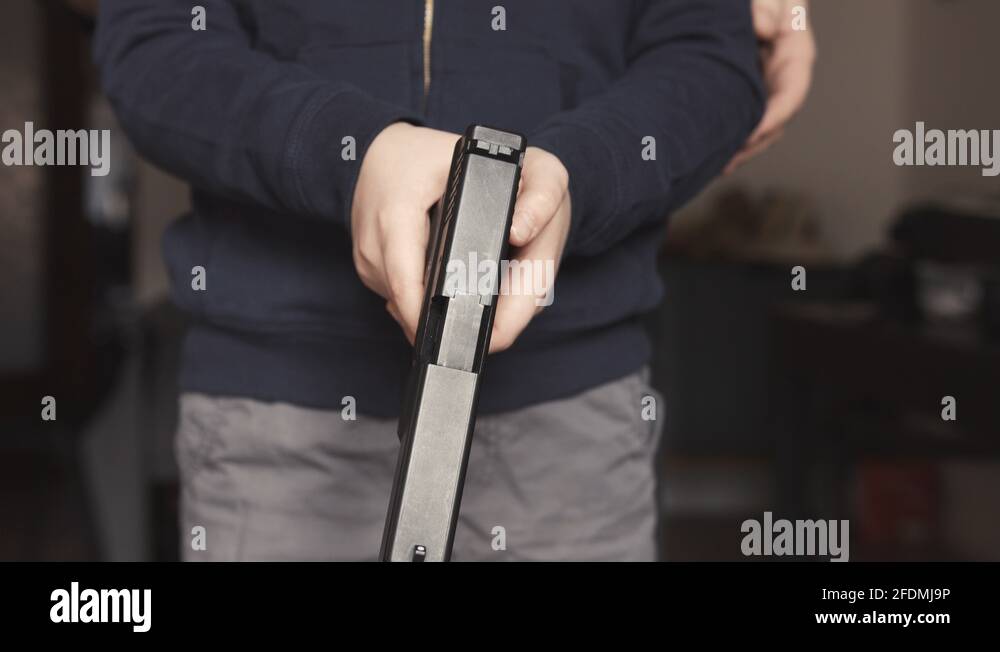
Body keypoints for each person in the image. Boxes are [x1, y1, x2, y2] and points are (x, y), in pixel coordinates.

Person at [94, 0, 814, 561]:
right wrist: (350, 154)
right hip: (276, 418)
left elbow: (707, 58)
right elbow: (156, 45)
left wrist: (579, 177)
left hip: (569, 425)